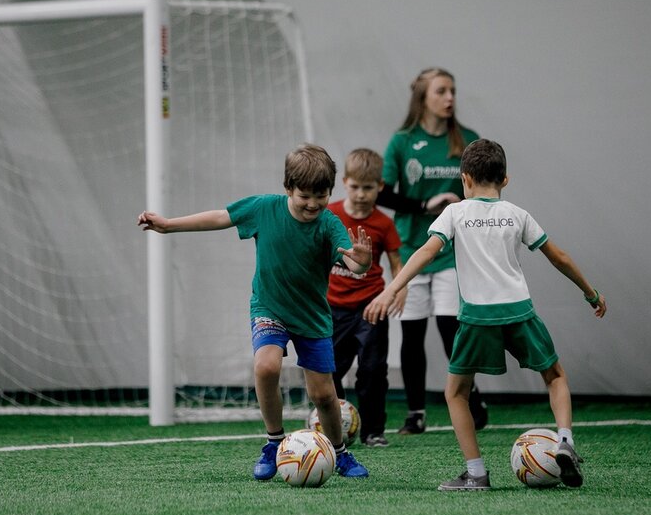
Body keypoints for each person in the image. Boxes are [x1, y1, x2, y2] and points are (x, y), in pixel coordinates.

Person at [365, 139, 607, 490]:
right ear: (505, 180)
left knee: (456, 393)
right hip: (519, 311)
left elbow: (426, 252)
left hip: (477, 317)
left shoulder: (454, 213)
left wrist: (391, 288)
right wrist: (591, 293)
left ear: (464, 179)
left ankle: (476, 473)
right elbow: (560, 257)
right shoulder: (517, 214)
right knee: (555, 376)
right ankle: (565, 440)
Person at [138, 143, 373, 480]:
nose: (312, 203)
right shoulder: (264, 208)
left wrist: (361, 261)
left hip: (312, 317)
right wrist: (168, 224)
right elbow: (221, 217)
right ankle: (274, 443)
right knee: (265, 366)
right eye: (304, 195)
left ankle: (339, 452)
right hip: (269, 308)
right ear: (288, 188)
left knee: (323, 394)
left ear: (330, 192)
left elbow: (352, 260)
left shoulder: (328, 223)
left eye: (320, 195)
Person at [379, 67, 488, 436]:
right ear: (423, 98)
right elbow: (382, 193)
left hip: (452, 252)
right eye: (441, 91)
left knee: (450, 330)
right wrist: (426, 202)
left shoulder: (468, 141)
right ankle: (415, 412)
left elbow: (486, 192)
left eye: (453, 90)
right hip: (412, 249)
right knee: (411, 334)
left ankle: (472, 398)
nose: (450, 98)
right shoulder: (402, 142)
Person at [327, 148, 405, 447]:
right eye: (355, 187)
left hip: (371, 307)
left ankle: (373, 430)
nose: (361, 194)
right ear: (344, 182)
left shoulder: (384, 224)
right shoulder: (330, 214)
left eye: (368, 188)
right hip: (332, 308)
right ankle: (334, 423)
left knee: (373, 371)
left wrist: (396, 290)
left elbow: (398, 263)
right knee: (328, 370)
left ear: (380, 187)